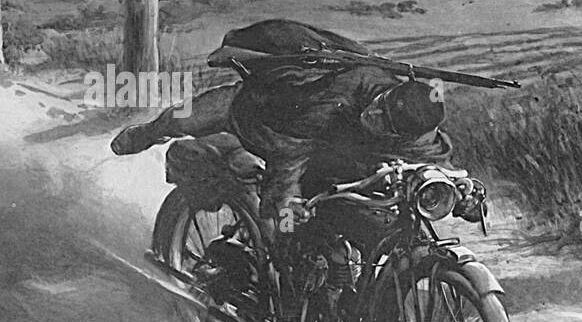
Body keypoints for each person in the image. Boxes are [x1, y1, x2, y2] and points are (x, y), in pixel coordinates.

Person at [111, 19, 485, 243]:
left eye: (386, 123)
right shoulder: (334, 100)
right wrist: (284, 204)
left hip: (329, 154)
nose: (374, 116)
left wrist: (463, 190)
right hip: (259, 115)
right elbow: (286, 158)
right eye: (378, 107)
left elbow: (439, 163)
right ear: (384, 94)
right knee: (184, 118)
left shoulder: (417, 128)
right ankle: (146, 133)